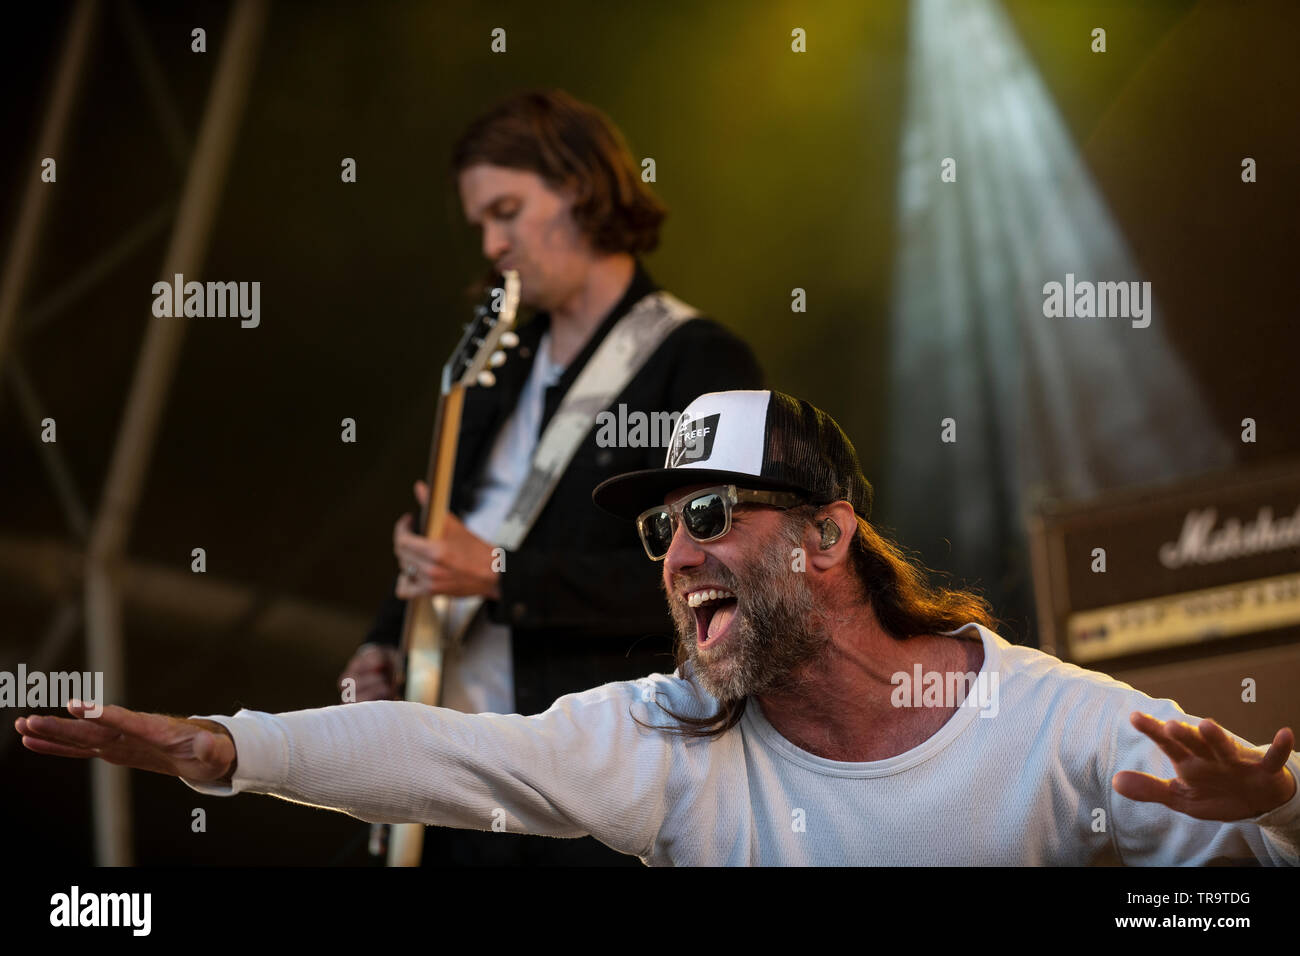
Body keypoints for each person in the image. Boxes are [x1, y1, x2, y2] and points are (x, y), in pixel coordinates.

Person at [17, 390, 1299, 865]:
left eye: (708, 513)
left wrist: (1271, 803)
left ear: (827, 534)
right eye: (660, 533)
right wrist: (224, 748)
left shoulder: (1053, 723)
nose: (678, 553)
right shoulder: (670, 738)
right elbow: (462, 758)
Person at [338, 89, 762, 865]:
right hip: (444, 779)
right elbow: (449, 542)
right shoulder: (493, 370)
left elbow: (729, 579)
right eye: (481, 226)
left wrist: (503, 576)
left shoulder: (697, 361)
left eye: (507, 210)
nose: (493, 244)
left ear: (579, 187)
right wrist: (381, 648)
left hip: (578, 788)